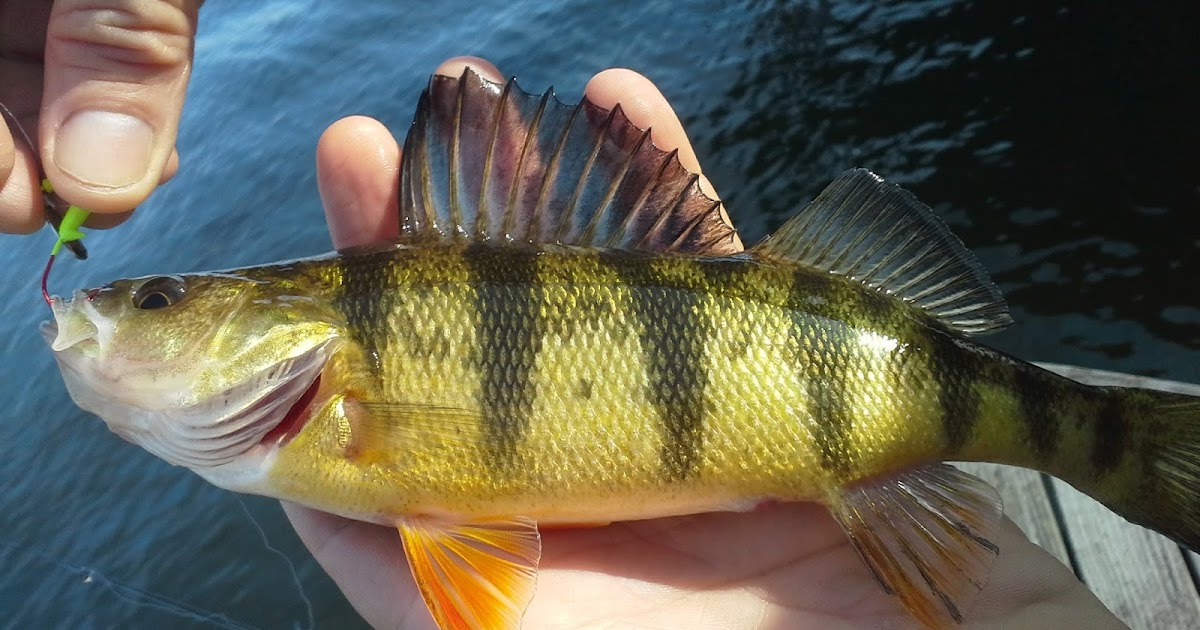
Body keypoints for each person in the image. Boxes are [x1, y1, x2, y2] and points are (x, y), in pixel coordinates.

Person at [1, 3, 1125, 628]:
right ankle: (1100, 435)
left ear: (280, 328)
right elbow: (467, 547)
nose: (115, 311)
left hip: (865, 391)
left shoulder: (340, 417)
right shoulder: (319, 421)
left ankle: (1121, 450)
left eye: (158, 300)